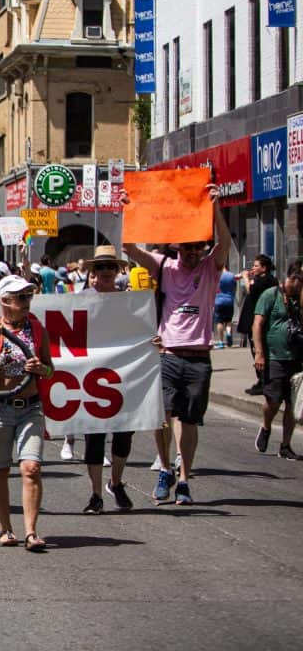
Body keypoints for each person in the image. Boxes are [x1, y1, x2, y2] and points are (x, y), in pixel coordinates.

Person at [123, 182, 230, 505]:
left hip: (198, 356)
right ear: (176, 248)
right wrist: (129, 208)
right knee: (162, 415)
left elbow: (224, 241)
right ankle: (165, 468)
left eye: (198, 246)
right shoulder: (166, 267)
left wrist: (215, 207)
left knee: (189, 419)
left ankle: (184, 478)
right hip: (169, 353)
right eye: (187, 247)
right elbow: (130, 248)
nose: (193, 252)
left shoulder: (212, 268)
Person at [0, 275, 54, 551]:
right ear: (5, 301)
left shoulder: (36, 328)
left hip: (30, 407)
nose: (26, 302)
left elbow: (50, 368)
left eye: (28, 296)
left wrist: (40, 369)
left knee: (31, 468)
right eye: (20, 297)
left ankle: (31, 531)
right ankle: (5, 528)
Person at [79, 246, 135, 513]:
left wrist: (152, 341)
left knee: (124, 433)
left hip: (122, 374)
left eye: (110, 267)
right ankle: (96, 494)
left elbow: (140, 331)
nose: (105, 272)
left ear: (117, 271)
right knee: (95, 437)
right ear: (93, 272)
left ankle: (116, 481)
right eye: (99, 267)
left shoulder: (129, 300)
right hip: (92, 374)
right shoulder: (82, 299)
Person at [252, 259, 302, 459]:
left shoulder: (299, 298)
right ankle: (265, 426)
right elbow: (257, 324)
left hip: (295, 357)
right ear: (292, 278)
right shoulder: (271, 295)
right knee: (273, 401)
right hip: (274, 356)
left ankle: (286, 446)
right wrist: (259, 353)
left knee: (292, 403)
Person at [238, 255, 276, 396]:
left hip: (257, 323)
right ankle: (262, 380)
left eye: (255, 266)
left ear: (264, 268)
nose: (253, 268)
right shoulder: (266, 280)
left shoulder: (264, 280)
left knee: (258, 352)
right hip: (257, 322)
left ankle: (263, 381)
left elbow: (251, 290)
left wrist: (246, 278)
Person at [214, 263, 236, 348]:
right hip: (229, 301)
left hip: (218, 301)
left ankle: (220, 342)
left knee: (219, 322)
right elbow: (234, 287)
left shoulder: (217, 276)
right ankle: (228, 332)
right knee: (228, 321)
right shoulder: (231, 276)